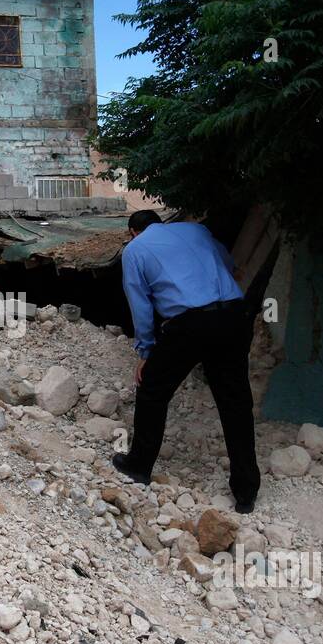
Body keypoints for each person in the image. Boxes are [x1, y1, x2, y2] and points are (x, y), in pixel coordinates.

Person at [112, 210, 261, 513]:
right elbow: (230, 265)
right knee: (235, 402)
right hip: (234, 316)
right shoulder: (196, 231)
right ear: (160, 223)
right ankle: (246, 492)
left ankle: (138, 465)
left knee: (153, 389)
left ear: (133, 232)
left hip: (189, 323)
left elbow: (139, 304)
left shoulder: (135, 250)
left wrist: (145, 352)